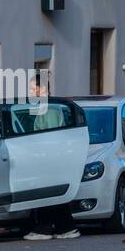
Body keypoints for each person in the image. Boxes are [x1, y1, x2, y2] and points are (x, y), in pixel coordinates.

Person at [22, 78, 80, 241]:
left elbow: (50, 136)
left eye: (33, 89)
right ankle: (65, 228)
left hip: (50, 159)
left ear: (42, 89)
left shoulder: (49, 109)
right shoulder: (45, 107)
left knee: (47, 194)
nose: (31, 92)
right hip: (50, 158)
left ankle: (46, 228)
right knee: (53, 195)